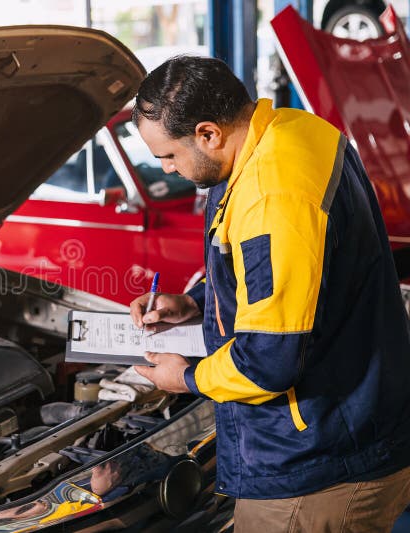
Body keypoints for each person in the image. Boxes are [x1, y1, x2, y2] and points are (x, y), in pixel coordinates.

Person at [129, 56, 410, 532]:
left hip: (317, 466)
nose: (168, 168)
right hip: (360, 421)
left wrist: (188, 378)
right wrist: (197, 301)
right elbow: (289, 276)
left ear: (208, 133)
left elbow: (267, 363)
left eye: (168, 155)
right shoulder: (292, 131)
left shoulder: (271, 197)